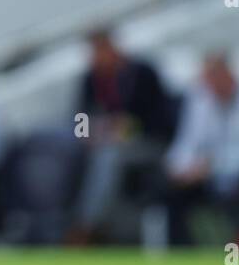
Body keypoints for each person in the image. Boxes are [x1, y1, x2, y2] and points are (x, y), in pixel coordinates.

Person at [159, 52, 239, 246]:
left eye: (215, 76)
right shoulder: (200, 100)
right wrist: (180, 166)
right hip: (207, 176)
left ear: (229, 73)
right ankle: (180, 250)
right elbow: (188, 142)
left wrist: (212, 166)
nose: (211, 84)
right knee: (170, 190)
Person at [71, 28, 176, 240]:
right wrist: (94, 131)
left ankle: (87, 226)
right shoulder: (91, 79)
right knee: (79, 157)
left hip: (148, 144)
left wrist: (128, 128)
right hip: (103, 144)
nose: (97, 57)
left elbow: (161, 122)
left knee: (110, 157)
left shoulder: (143, 74)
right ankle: (78, 221)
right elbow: (79, 121)